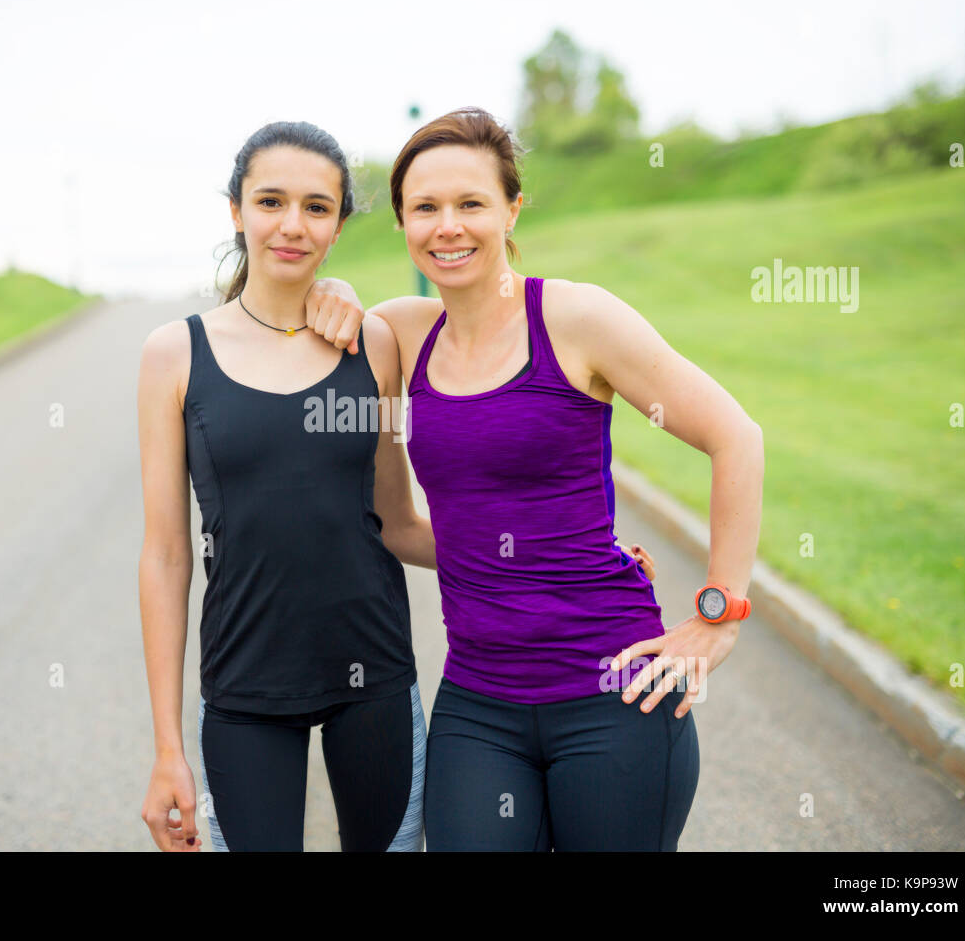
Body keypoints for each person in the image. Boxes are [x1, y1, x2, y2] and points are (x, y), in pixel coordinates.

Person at [310, 108, 764, 851]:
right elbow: (397, 526)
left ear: (511, 209)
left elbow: (735, 437)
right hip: (478, 705)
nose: (447, 226)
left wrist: (717, 615)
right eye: (425, 208)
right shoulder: (402, 333)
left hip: (614, 692)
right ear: (401, 223)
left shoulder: (577, 319)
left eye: (470, 204)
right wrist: (335, 290)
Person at [136, 120, 438, 852]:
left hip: (376, 679)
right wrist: (167, 749)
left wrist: (553, 554)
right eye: (270, 202)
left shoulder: (374, 344)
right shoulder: (174, 355)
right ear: (236, 212)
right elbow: (166, 556)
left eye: (316, 207)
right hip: (244, 690)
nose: (291, 225)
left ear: (337, 226)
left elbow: (396, 517)